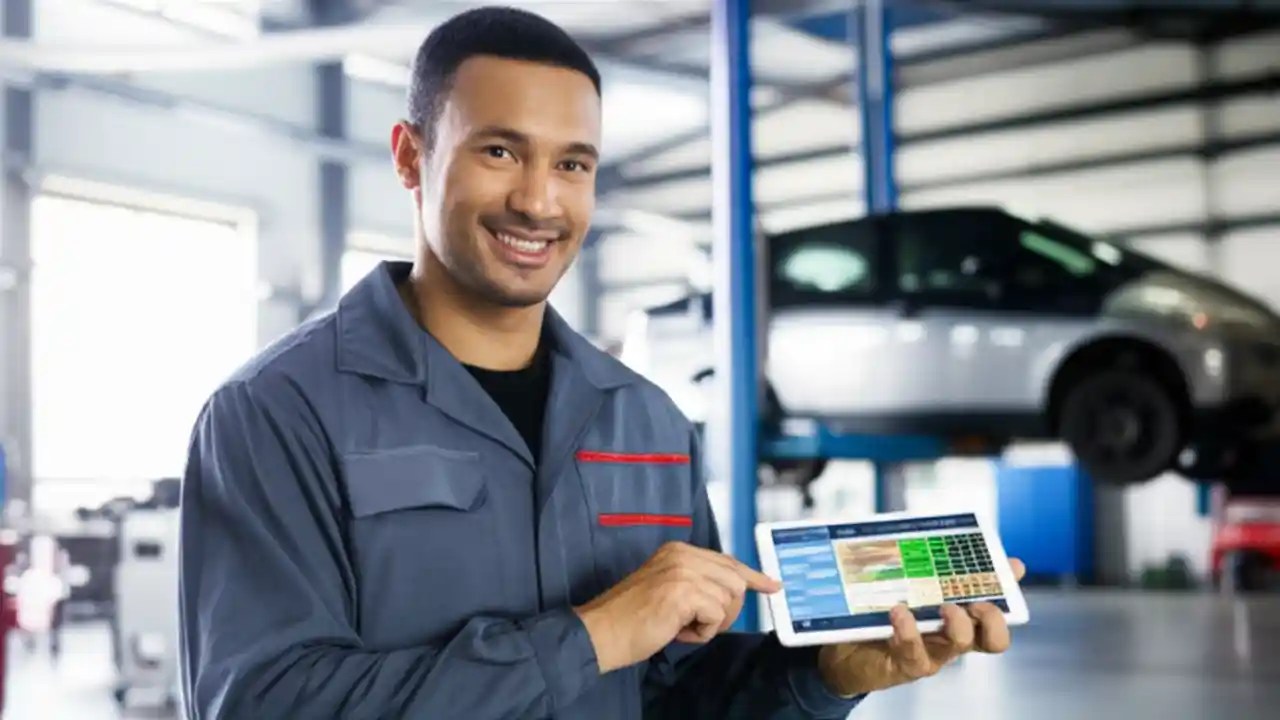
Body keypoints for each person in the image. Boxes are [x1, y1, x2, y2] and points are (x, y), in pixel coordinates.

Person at [177, 6, 1025, 718]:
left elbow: (678, 693)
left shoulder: (646, 419)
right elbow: (264, 700)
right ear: (410, 156)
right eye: (500, 151)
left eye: (572, 164)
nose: (539, 201)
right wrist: (593, 635)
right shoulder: (275, 413)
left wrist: (824, 677)